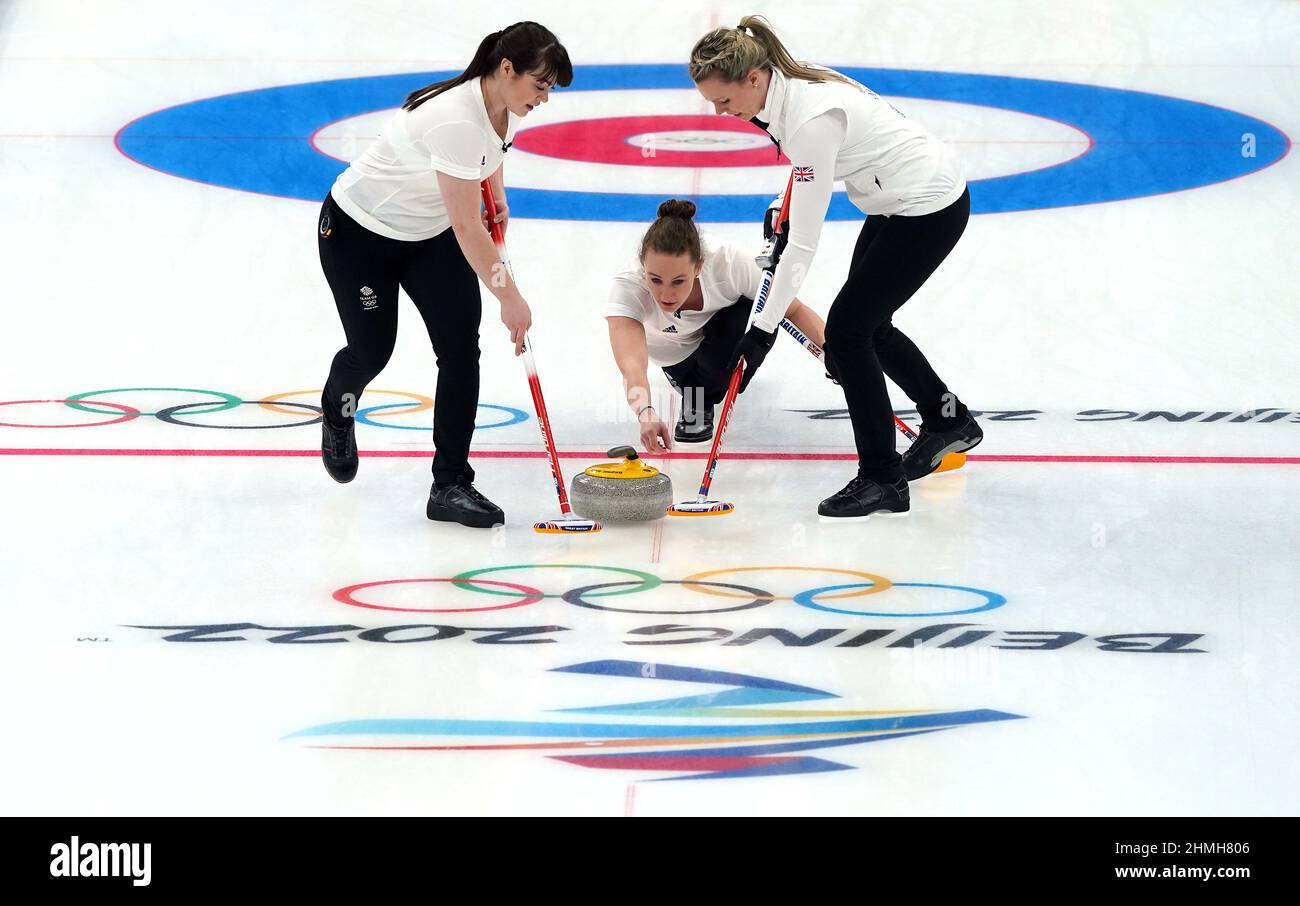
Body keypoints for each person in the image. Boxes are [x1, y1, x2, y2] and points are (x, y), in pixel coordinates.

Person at [689, 16, 983, 518]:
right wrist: (786, 201)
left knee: (848, 333)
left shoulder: (809, 118)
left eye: (723, 100)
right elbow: (807, 173)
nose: (719, 112)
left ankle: (882, 478)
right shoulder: (783, 84)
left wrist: (760, 332)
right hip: (894, 200)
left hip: (927, 207)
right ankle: (947, 420)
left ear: (752, 80)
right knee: (868, 323)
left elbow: (801, 249)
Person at [316, 22, 572, 528]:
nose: (544, 98)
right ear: (507, 70)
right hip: (360, 236)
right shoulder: (455, 118)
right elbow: (466, 225)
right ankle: (337, 407)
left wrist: (495, 191)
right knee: (371, 351)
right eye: (540, 85)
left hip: (427, 236)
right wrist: (510, 297)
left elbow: (487, 155)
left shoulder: (503, 105)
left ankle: (450, 483)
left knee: (460, 351)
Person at [606, 200, 826, 452]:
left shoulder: (729, 262)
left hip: (725, 337)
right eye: (655, 280)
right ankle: (697, 397)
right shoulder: (629, 286)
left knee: (763, 306)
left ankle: (705, 394)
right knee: (701, 377)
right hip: (681, 364)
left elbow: (793, 308)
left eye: (678, 281)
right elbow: (632, 364)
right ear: (643, 266)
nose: (666, 294)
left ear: (698, 266)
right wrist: (645, 413)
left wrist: (835, 356)